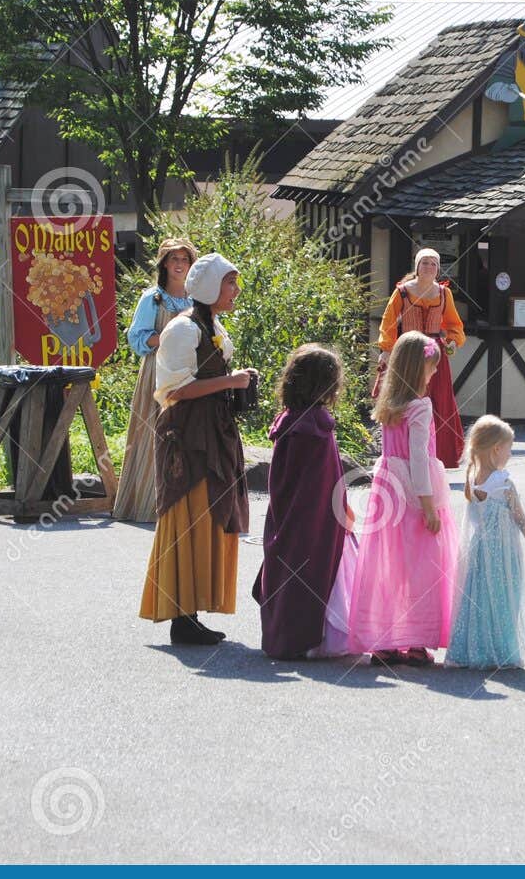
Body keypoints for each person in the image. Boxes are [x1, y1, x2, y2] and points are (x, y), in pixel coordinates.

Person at [137, 253, 258, 646]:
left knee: (209, 514)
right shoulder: (182, 330)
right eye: (230, 283)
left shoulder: (211, 325)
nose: (236, 290)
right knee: (189, 512)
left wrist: (235, 383)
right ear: (210, 288)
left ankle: (192, 611)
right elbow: (172, 391)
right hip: (187, 434)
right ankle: (180, 614)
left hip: (213, 429)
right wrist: (230, 382)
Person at [349, 331, 460, 665]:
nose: (435, 373)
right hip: (413, 493)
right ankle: (413, 639)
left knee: (389, 564)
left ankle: (383, 638)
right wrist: (428, 507)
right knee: (418, 569)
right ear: (416, 370)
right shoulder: (420, 407)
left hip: (388, 491)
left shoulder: (390, 405)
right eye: (430, 368)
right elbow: (418, 460)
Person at [253, 344, 350, 660]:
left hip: (294, 514)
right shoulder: (313, 428)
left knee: (287, 567)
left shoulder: (294, 422)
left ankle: (282, 636)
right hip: (315, 517)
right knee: (308, 572)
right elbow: (318, 481)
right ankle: (296, 639)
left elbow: (287, 480)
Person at [446, 416, 525, 670]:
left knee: (478, 599)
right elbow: (521, 519)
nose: (510, 453)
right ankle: (503, 649)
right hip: (504, 555)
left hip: (479, 553)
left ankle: (473, 648)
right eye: (509, 448)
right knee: (505, 599)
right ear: (496, 449)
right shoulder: (503, 483)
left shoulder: (472, 479)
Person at [113, 238, 197, 521]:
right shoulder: (153, 297)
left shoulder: (196, 299)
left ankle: (182, 505)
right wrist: (170, 336)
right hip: (158, 372)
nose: (179, 264)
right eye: (173, 259)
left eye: (184, 259)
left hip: (187, 372)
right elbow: (136, 338)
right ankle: (145, 503)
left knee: (186, 434)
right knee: (153, 431)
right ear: (163, 263)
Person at [377, 249, 466, 468]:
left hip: (435, 354)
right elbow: (388, 322)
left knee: (439, 401)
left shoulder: (444, 294)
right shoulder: (402, 292)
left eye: (433, 263)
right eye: (424, 263)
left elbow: (454, 324)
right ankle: (405, 452)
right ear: (417, 267)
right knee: (409, 399)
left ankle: (439, 456)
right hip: (409, 351)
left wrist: (453, 341)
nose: (429, 267)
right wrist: (387, 349)